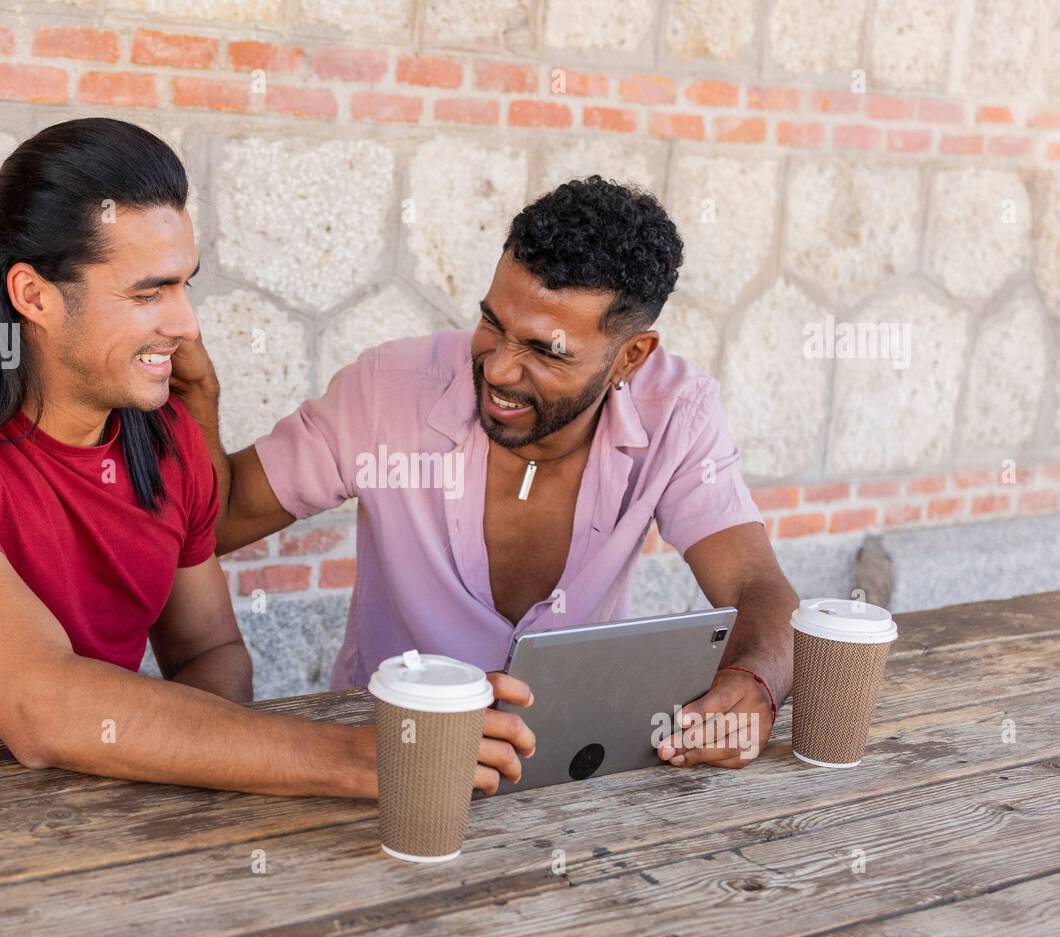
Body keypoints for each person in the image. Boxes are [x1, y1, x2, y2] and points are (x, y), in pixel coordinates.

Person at [0, 118, 535, 795]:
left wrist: (176, 778)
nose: (185, 322)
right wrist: (348, 758)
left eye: (184, 283)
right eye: (147, 292)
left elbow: (209, 653)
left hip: (103, 826)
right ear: (33, 295)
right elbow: (39, 703)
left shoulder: (169, 442)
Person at [178, 176, 801, 770]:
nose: (500, 369)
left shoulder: (677, 412)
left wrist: (752, 687)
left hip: (577, 766)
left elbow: (757, 586)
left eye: (545, 350)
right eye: (492, 325)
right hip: (391, 757)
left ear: (629, 358)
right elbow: (218, 521)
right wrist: (201, 398)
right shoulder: (387, 392)